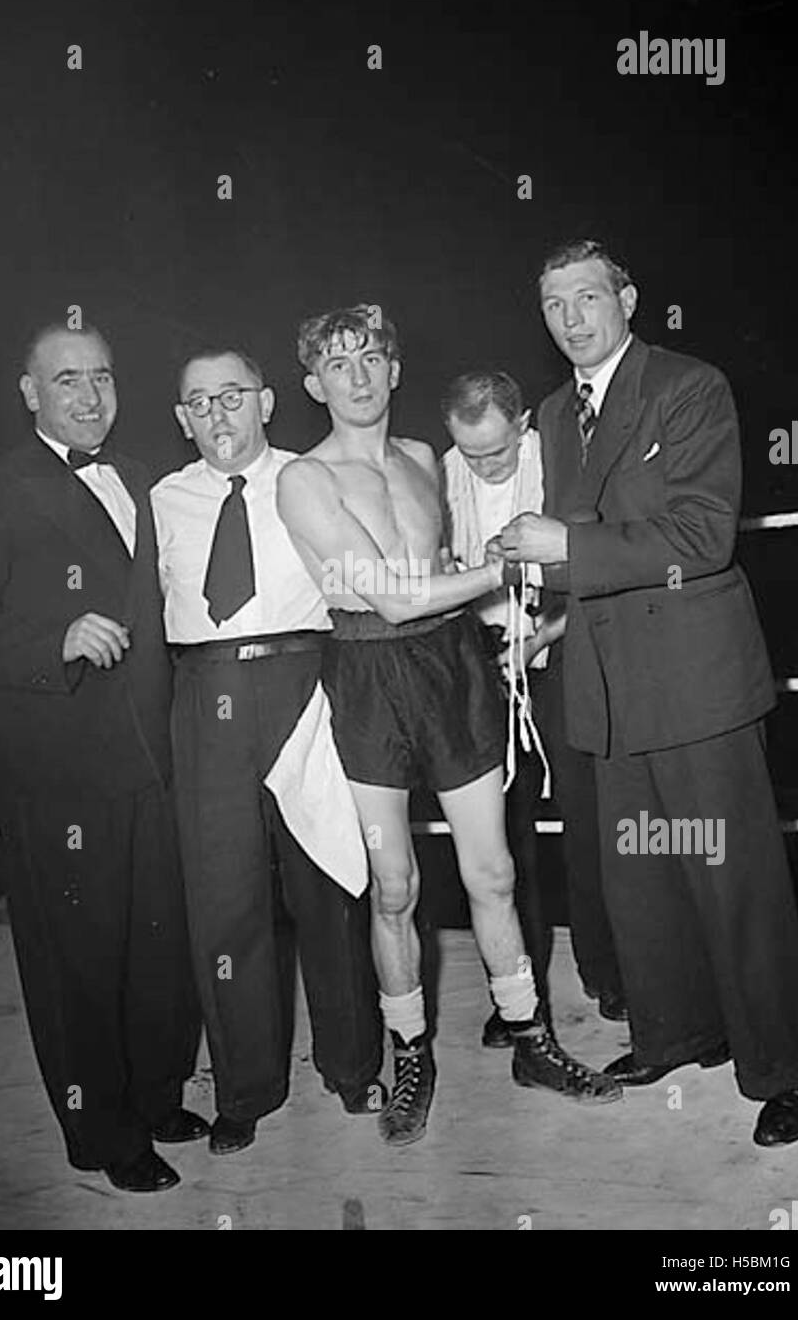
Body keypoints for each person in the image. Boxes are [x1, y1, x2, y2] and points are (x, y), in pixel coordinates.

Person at [495, 239, 798, 1147]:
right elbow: (585, 547)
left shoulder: (689, 387)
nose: (571, 317)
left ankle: (787, 1064)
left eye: (587, 296)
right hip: (604, 683)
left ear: (627, 299)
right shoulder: (557, 416)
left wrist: (561, 548)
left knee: (736, 880)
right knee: (639, 880)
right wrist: (535, 612)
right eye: (554, 303)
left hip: (695, 680)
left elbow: (700, 535)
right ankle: (678, 1033)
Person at [277, 303, 621, 1149]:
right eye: (337, 363)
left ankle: (530, 1038)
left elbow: (451, 558)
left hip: (453, 667)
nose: (356, 376)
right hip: (365, 673)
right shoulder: (303, 479)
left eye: (370, 359)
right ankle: (409, 1054)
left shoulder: (425, 457)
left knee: (495, 870)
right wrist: (504, 564)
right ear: (313, 383)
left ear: (394, 371)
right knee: (393, 887)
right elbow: (390, 595)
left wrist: (515, 588)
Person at [0, 323, 203, 1192]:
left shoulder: (148, 478)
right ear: (29, 392)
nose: (88, 398)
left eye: (103, 379)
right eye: (67, 381)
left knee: (159, 940)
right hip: (57, 766)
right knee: (77, 956)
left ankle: (156, 1096)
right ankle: (103, 1133)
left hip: (153, 754)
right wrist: (56, 637)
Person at [151, 348, 385, 1157]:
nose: (218, 415)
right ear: (182, 419)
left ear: (268, 402)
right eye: (199, 402)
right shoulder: (161, 502)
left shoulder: (312, 480)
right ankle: (245, 1089)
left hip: (305, 686)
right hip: (203, 697)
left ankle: (354, 1067)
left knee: (330, 884)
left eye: (233, 396)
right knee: (224, 903)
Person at [441, 370, 625, 1039]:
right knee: (499, 839)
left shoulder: (562, 464)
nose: (484, 466)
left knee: (588, 821)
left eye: (496, 451)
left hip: (560, 657)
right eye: (469, 453)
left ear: (522, 427)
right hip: (481, 665)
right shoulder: (437, 477)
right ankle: (515, 999)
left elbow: (600, 576)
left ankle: (608, 977)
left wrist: (538, 640)